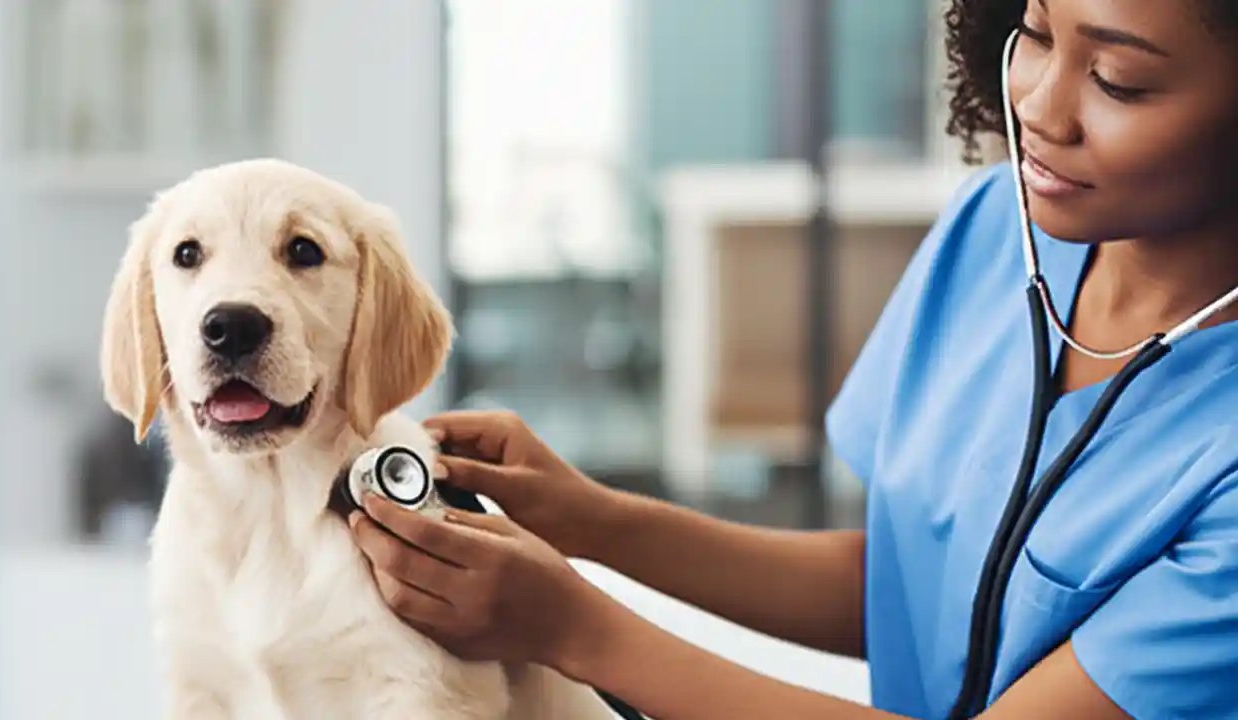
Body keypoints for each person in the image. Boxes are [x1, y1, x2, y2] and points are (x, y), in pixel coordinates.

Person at [345, 1, 1238, 717]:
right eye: (1036, 32)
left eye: (1118, 80)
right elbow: (909, 591)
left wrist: (573, 626)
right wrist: (590, 522)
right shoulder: (993, 234)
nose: (1039, 106)